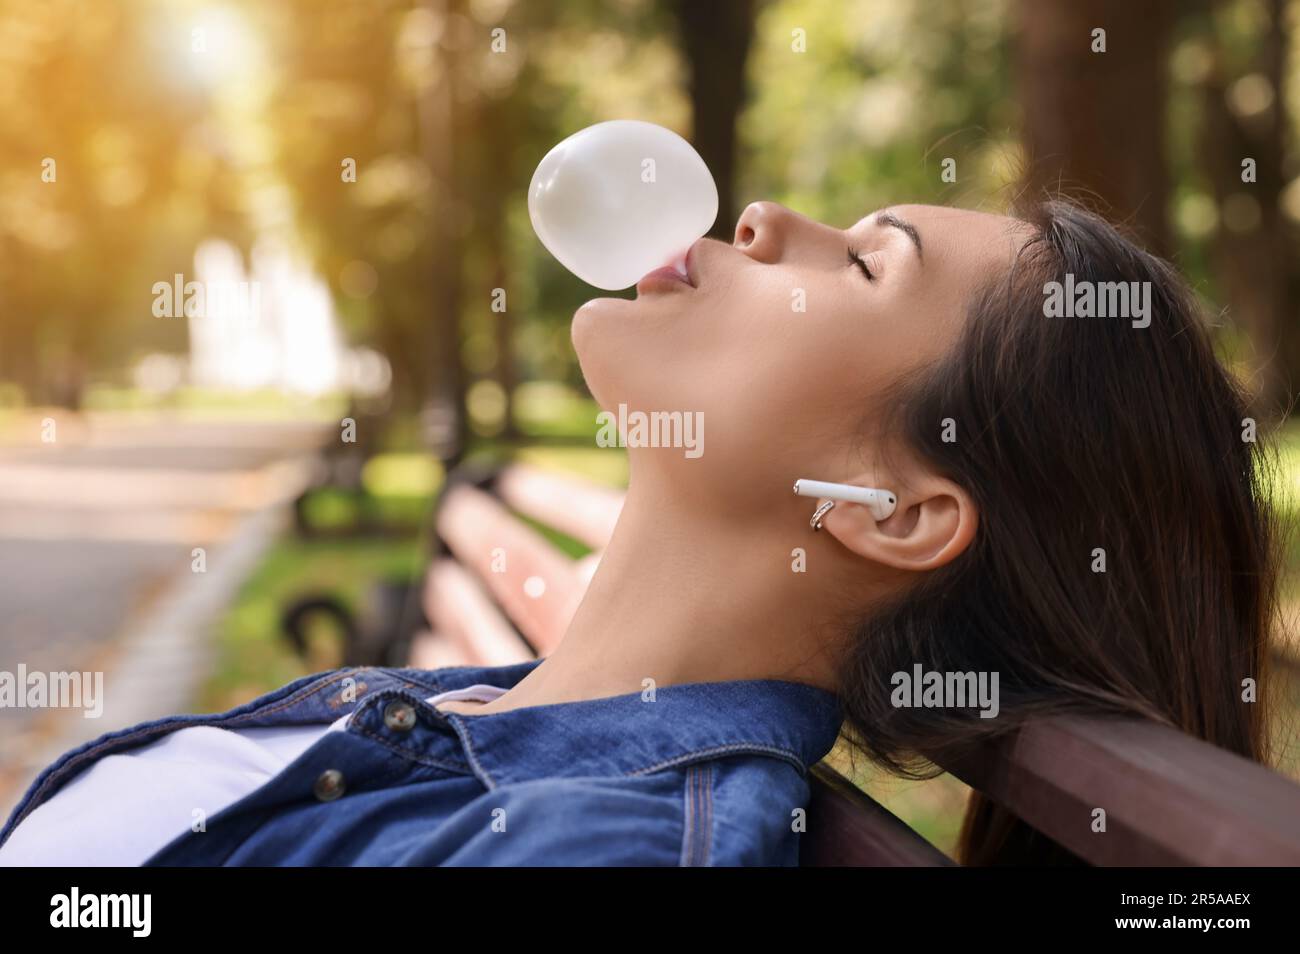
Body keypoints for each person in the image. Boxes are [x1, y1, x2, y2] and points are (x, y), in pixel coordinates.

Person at [0, 198, 1278, 866]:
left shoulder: (594, 849)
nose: (767, 219)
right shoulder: (475, 721)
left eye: (862, 264)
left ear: (894, 512)